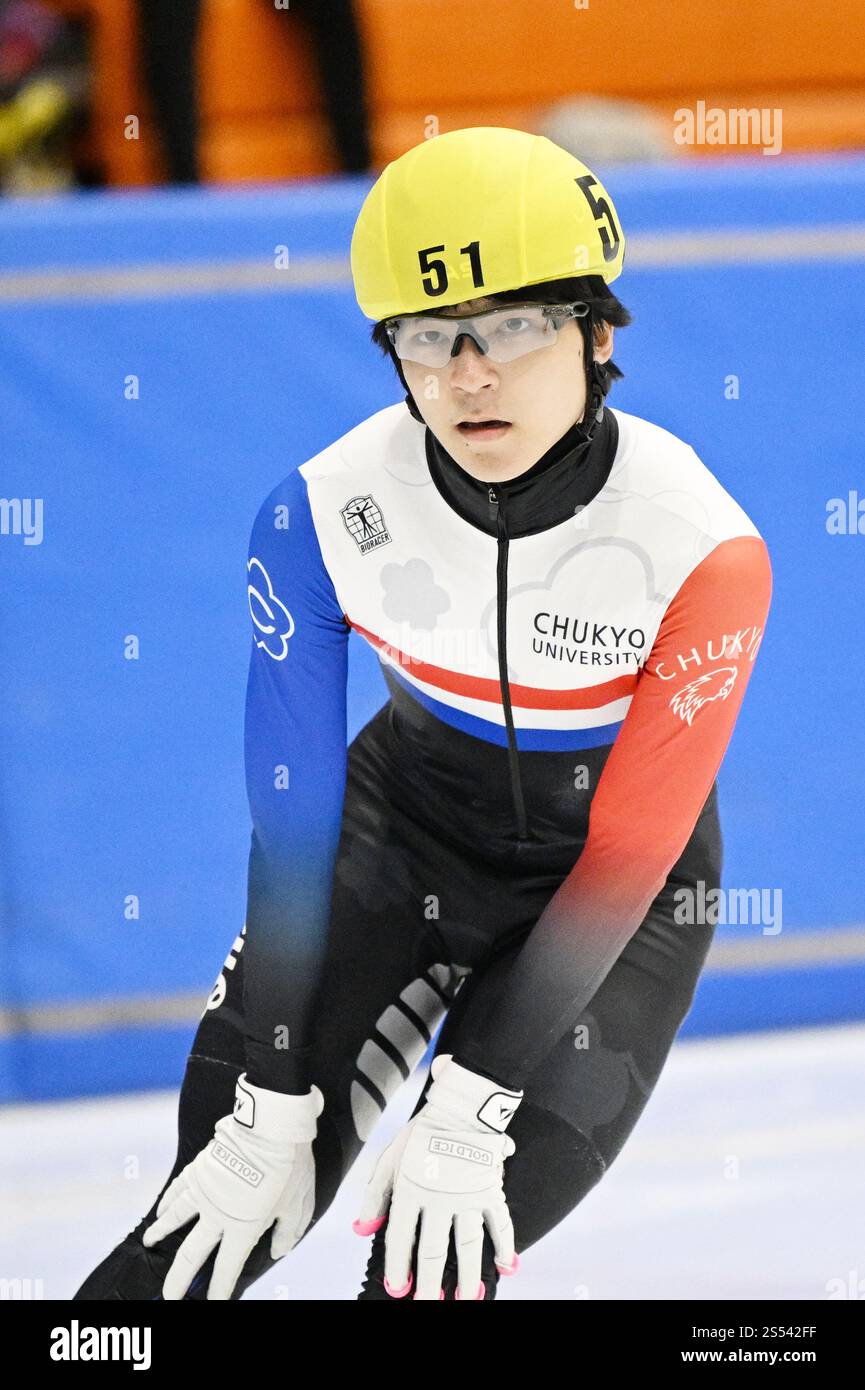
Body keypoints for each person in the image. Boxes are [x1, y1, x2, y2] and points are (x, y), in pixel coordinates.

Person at [74, 126, 773, 1302]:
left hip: (607, 896)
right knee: (191, 1231)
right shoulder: (320, 512)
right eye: (424, 334)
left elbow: (630, 851)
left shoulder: (699, 547)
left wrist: (476, 1093)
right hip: (396, 839)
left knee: (426, 1270)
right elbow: (292, 820)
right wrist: (273, 1082)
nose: (467, 375)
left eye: (511, 326)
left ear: (598, 334)